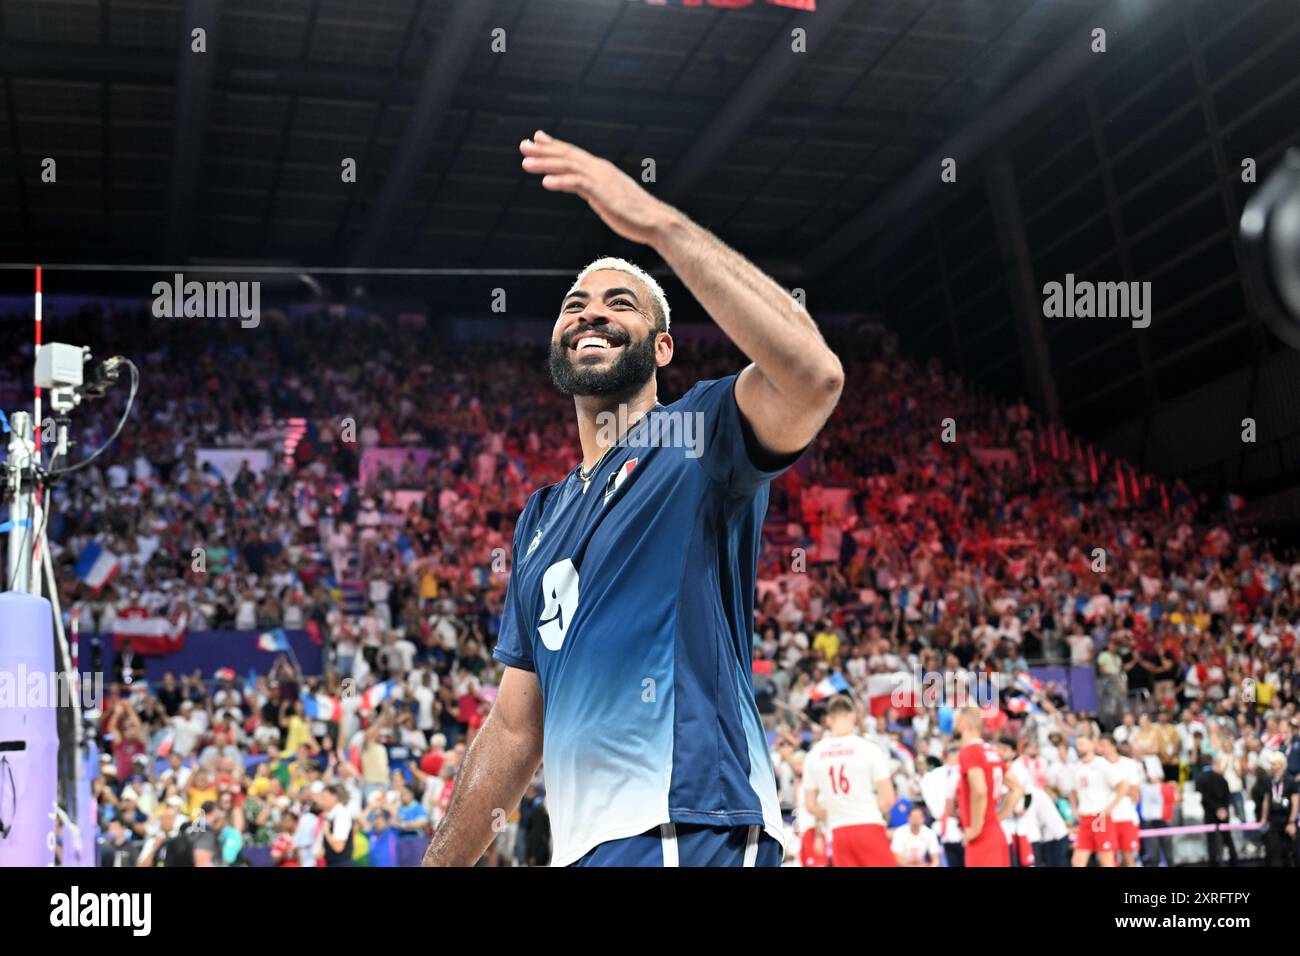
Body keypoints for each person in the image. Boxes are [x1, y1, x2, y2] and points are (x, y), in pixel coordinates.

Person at [423, 129, 844, 868]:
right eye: (575, 304)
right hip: (584, 849)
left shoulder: (697, 432)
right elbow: (517, 730)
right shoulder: (540, 520)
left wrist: (657, 225)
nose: (591, 313)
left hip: (689, 826)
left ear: (662, 347)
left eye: (620, 303)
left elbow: (814, 376)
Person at [801, 696, 896, 867]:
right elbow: (888, 798)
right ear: (853, 716)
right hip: (868, 825)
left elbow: (810, 805)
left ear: (829, 719)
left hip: (838, 831)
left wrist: (835, 812)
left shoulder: (814, 754)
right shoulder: (868, 748)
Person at [955, 706, 1020, 867]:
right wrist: (999, 817)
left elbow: (980, 790)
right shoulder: (991, 751)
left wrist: (976, 828)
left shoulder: (969, 752)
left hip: (982, 837)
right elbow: (1017, 788)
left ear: (963, 723)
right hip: (995, 831)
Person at [1098, 736, 1142, 867]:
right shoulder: (1098, 765)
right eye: (1100, 746)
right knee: (1106, 859)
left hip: (1125, 816)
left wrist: (1118, 787)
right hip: (1104, 818)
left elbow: (1135, 795)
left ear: (1113, 746)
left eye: (1104, 745)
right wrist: (1123, 788)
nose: (1102, 749)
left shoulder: (1128, 764)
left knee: (1128, 858)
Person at [1249, 752, 1297, 866]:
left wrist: (1291, 822)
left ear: (1281, 764)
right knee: (1274, 852)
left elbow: (1295, 803)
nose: (1271, 766)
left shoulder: (1290, 781)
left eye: (1273, 764)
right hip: (1273, 820)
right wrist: (1264, 818)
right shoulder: (1268, 781)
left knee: (1289, 853)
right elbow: (1266, 801)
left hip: (1286, 819)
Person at [1195, 754, 1238, 866]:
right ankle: (1234, 860)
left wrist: (1217, 809)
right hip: (1223, 812)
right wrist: (1223, 809)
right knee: (1227, 837)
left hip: (1211, 813)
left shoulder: (1200, 778)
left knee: (1212, 840)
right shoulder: (1220, 777)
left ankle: (1214, 863)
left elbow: (1204, 797)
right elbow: (1228, 795)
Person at [316, 783, 355, 867]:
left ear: (334, 798)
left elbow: (338, 847)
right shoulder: (329, 816)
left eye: (324, 797)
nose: (320, 801)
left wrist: (326, 831)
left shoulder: (341, 814)